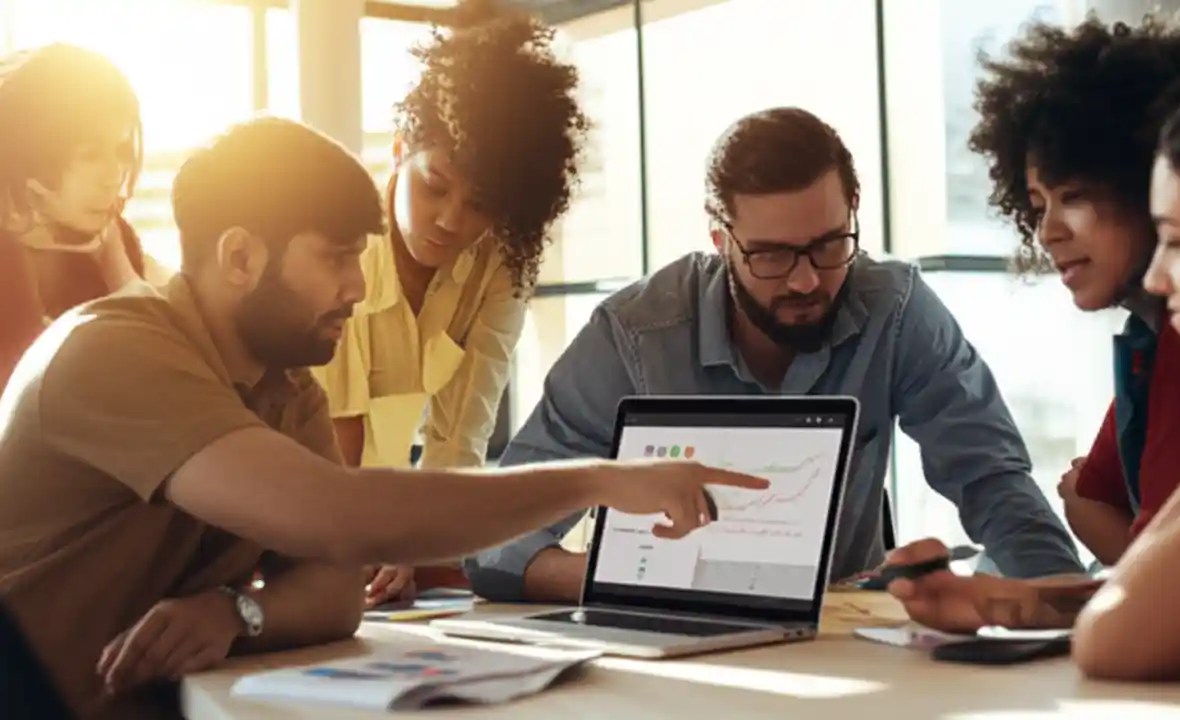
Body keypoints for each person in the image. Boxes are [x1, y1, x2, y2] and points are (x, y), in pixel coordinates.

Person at [0, 117, 766, 719]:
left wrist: (236, 609)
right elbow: (335, 517)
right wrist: (597, 480)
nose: (358, 289)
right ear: (240, 258)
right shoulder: (115, 351)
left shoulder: (282, 385)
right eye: (336, 258)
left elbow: (335, 589)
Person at [464, 106, 1085, 603]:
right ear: (720, 240)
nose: (806, 281)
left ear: (852, 215)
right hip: (665, 650)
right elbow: (496, 541)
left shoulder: (896, 311)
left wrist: (1061, 614)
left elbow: (993, 482)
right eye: (770, 255)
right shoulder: (634, 333)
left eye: (828, 245)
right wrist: (639, 585)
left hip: (841, 645)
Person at [883, 70, 1180, 689]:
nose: (1158, 276)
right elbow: (1164, 582)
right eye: (1038, 207)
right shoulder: (1161, 352)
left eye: (1176, 240)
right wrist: (1008, 602)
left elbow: (1120, 637)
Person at [314, 0, 588, 605]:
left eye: (481, 204)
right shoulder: (340, 246)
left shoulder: (502, 264)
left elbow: (463, 431)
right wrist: (372, 543)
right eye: (434, 186)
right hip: (301, 508)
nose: (449, 221)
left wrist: (412, 544)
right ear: (398, 151)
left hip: (392, 536)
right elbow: (338, 448)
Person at [967, 15, 1180, 565]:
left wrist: (1092, 522)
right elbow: (1096, 495)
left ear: (1150, 183)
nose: (1048, 230)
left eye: (1075, 195)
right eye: (1037, 206)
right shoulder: (1148, 338)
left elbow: (1161, 579)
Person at [0, 44, 165, 389]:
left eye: (120, 150)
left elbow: (161, 358)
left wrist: (115, 261)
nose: (113, 174)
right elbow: (29, 392)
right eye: (91, 155)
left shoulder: (112, 238)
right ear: (31, 159)